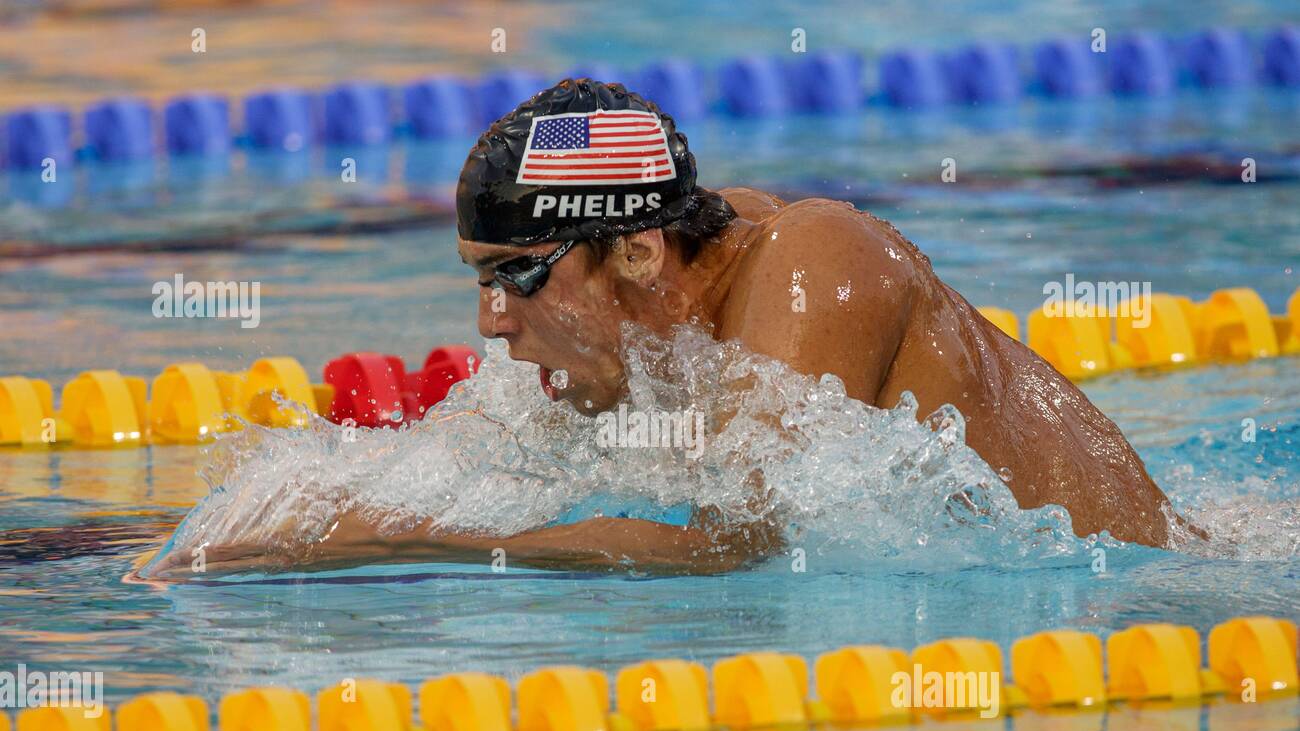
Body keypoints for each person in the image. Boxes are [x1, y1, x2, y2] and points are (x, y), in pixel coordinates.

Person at [145, 78, 1174, 580]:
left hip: (1149, 608)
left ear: (637, 250)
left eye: (517, 277)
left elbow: (738, 540)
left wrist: (397, 536)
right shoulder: (668, 302)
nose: (490, 322)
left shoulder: (818, 261)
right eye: (479, 281)